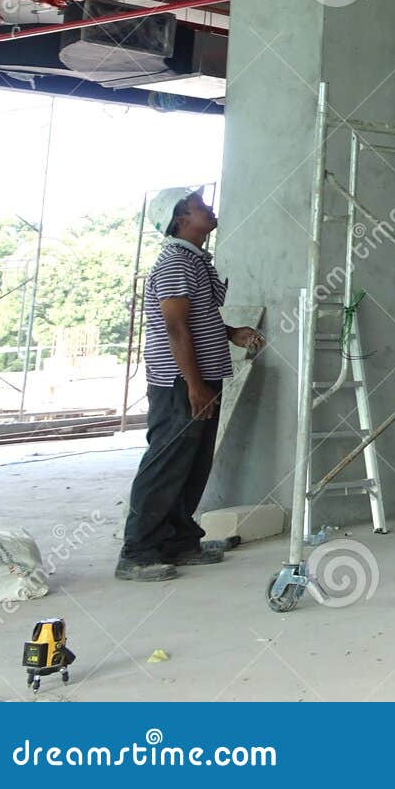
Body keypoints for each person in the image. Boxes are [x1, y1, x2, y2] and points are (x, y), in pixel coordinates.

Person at [115, 186, 262, 582]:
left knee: (192, 463)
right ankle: (138, 551)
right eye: (200, 206)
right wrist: (194, 384)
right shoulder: (176, 262)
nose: (210, 208)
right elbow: (176, 326)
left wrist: (230, 333)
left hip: (200, 378)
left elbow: (195, 318)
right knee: (166, 463)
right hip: (180, 382)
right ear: (181, 219)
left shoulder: (195, 261)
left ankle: (180, 540)